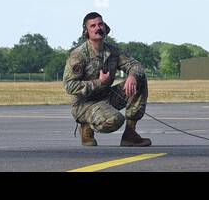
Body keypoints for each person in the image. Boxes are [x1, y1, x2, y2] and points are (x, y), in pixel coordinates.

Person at [63, 12, 151, 147]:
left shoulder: (112, 51)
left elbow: (135, 65)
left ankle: (130, 134)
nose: (98, 28)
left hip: (107, 97)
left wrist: (132, 76)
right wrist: (99, 82)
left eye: (100, 24)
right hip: (85, 104)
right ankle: (86, 125)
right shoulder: (78, 55)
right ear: (86, 31)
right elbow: (70, 86)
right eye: (93, 26)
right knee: (115, 120)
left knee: (140, 79)